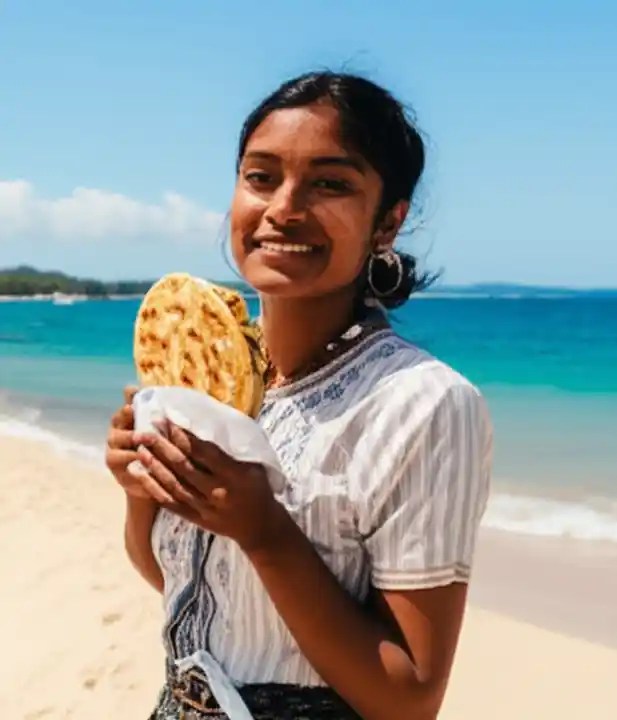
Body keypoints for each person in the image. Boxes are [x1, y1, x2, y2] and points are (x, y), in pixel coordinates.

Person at [102, 72, 493, 720]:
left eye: (330, 183)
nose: (284, 208)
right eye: (261, 177)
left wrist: (265, 531)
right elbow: (182, 586)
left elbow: (411, 698)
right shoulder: (207, 384)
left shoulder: (422, 405)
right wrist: (145, 492)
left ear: (387, 222)